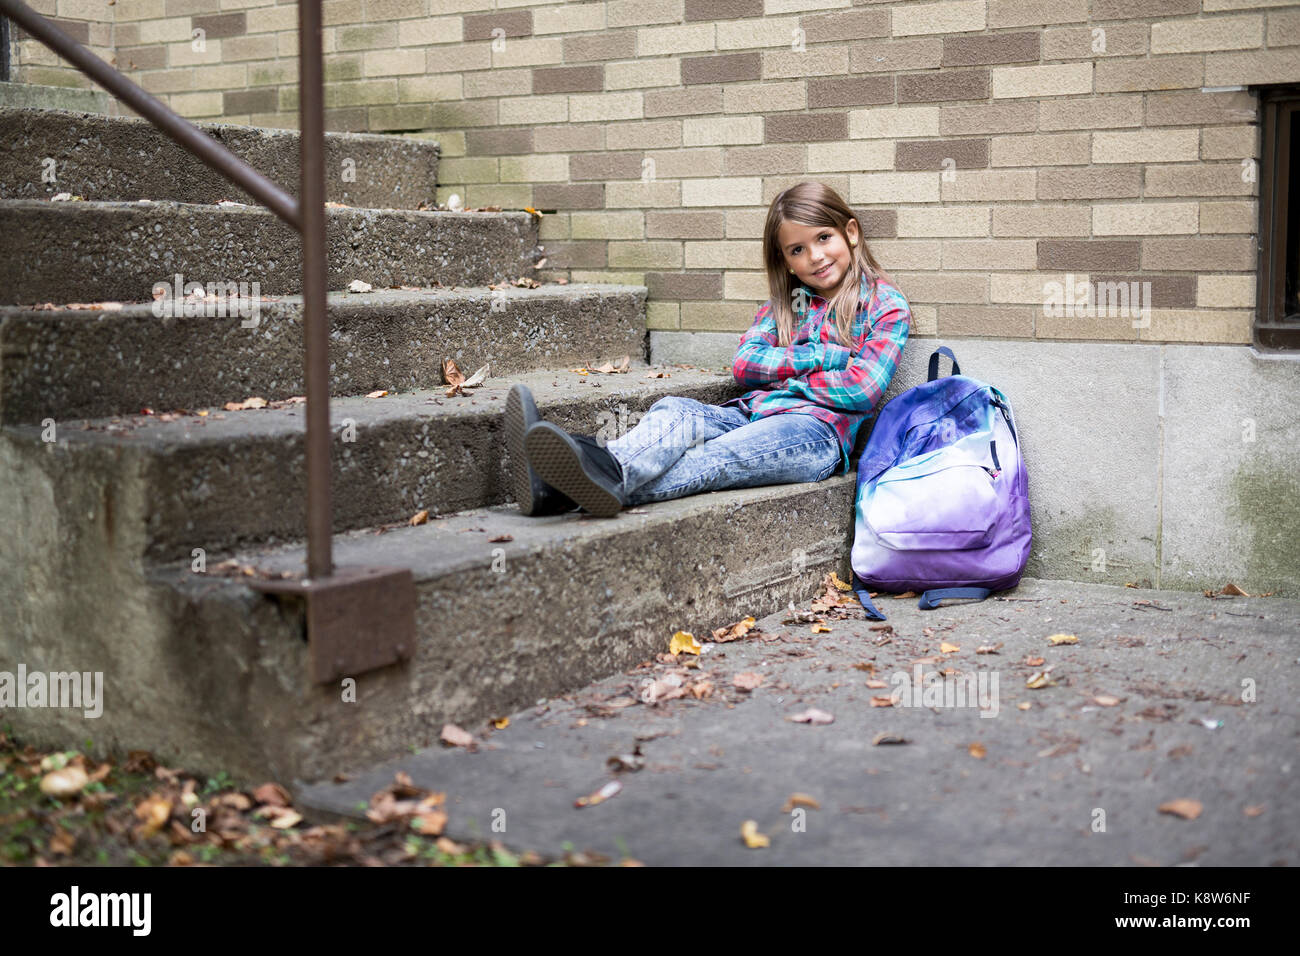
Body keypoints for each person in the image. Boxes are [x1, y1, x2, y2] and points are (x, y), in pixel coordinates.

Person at [506, 181, 911, 519]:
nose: (815, 256)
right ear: (786, 261)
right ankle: (601, 469)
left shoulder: (883, 305)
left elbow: (861, 390)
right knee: (675, 411)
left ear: (851, 233)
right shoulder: (785, 306)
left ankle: (567, 485)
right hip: (748, 414)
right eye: (797, 249)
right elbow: (745, 364)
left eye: (823, 238)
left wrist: (787, 381)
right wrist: (825, 359)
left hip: (814, 433)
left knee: (715, 456)